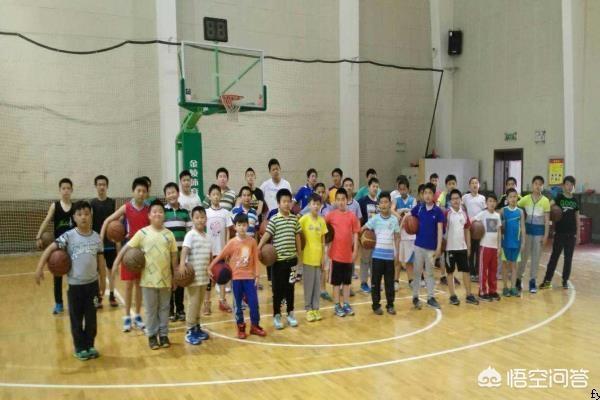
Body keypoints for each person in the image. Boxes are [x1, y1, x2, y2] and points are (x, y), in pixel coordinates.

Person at [35, 201, 106, 361]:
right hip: (75, 287)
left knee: (91, 319)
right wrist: (39, 267)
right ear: (74, 217)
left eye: (86, 214)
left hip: (92, 286)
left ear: (91, 216)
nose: (83, 217)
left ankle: (90, 345)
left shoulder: (97, 238)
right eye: (79, 214)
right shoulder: (69, 236)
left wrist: (103, 282)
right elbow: (50, 248)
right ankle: (80, 348)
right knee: (76, 319)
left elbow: (101, 263)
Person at [114, 199, 178, 350]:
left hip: (165, 279)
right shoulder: (142, 233)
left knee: (164, 308)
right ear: (149, 215)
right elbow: (127, 247)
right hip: (148, 280)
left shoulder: (169, 235)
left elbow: (174, 257)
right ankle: (152, 336)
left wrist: (175, 276)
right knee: (150, 310)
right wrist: (117, 261)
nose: (157, 214)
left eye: (160, 211)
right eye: (154, 211)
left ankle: (163, 335)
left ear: (164, 215)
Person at [100, 177, 149, 332]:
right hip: (129, 250)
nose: (141, 193)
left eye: (144, 191)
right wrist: (101, 238)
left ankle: (138, 315)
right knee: (128, 285)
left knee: (139, 285)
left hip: (143, 251)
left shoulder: (149, 209)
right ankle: (127, 316)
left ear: (147, 193)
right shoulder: (127, 207)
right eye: (138, 190)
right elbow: (108, 221)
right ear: (133, 192)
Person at [211, 213, 267, 339]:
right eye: (239, 225)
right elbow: (220, 256)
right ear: (235, 227)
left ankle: (255, 326)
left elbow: (255, 260)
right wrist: (210, 267)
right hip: (236, 278)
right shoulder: (232, 243)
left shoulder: (252, 242)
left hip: (250, 278)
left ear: (248, 226)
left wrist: (257, 275)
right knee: (237, 305)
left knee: (254, 303)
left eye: (244, 225)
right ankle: (241, 327)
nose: (242, 227)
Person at [258, 188, 302, 330]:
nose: (287, 204)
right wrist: (259, 247)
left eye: (289, 201)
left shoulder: (294, 219)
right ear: (278, 203)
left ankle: (290, 313)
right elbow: (266, 235)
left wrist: (299, 255)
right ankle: (277, 315)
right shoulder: (274, 219)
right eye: (284, 201)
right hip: (278, 263)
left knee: (290, 289)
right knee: (277, 290)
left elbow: (298, 237)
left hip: (292, 261)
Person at [36, 178, 74, 314]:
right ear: (60, 190)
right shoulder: (55, 206)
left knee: (73, 276)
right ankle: (58, 303)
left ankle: (73, 302)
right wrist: (38, 236)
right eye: (63, 188)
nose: (66, 191)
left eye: (68, 188)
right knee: (57, 275)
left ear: (71, 190)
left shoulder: (75, 207)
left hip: (72, 245)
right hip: (58, 246)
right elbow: (46, 220)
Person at [362, 192, 400, 315]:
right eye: (381, 202)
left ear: (390, 204)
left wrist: (397, 253)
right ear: (378, 205)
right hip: (377, 257)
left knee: (389, 283)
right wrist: (364, 239)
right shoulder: (375, 219)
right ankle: (376, 305)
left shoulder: (394, 220)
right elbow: (363, 228)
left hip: (389, 257)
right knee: (376, 283)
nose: (383, 205)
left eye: (386, 202)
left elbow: (397, 237)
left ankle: (390, 305)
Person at [325, 188, 360, 317]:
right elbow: (323, 226)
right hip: (335, 255)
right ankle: (336, 305)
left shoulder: (352, 216)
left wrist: (355, 250)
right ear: (335, 201)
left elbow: (356, 234)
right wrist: (326, 242)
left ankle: (346, 304)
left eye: (343, 199)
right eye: (338, 199)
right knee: (336, 283)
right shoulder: (331, 215)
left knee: (346, 282)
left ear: (346, 200)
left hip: (348, 255)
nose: (340, 202)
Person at [541, 175, 580, 290]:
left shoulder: (575, 201)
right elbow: (549, 206)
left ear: (573, 186)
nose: (569, 187)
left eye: (571, 185)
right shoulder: (559, 197)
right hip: (560, 233)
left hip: (571, 234)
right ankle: (547, 280)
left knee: (568, 259)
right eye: (567, 184)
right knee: (554, 257)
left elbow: (577, 218)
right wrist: (550, 213)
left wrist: (578, 234)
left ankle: (565, 280)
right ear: (563, 186)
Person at [180, 206, 211, 345]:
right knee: (193, 303)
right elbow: (185, 250)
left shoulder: (207, 237)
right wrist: (182, 265)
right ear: (192, 219)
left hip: (204, 277)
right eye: (197, 217)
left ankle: (197, 327)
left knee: (199, 303)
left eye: (202, 217)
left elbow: (209, 256)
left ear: (206, 219)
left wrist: (210, 269)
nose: (200, 220)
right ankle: (189, 330)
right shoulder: (190, 235)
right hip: (192, 277)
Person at [410, 183, 444, 310]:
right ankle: (415, 297)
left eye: (430, 193)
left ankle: (431, 297)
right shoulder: (419, 208)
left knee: (430, 273)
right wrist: (401, 224)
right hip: (418, 246)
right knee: (417, 272)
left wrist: (439, 247)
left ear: (434, 195)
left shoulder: (438, 211)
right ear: (422, 195)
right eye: (425, 193)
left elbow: (440, 230)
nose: (427, 195)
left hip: (431, 248)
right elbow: (409, 217)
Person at [163, 182, 192, 322]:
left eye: (173, 192)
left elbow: (190, 232)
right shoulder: (163, 212)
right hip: (167, 254)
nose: (171, 195)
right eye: (168, 193)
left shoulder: (185, 212)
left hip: (181, 254)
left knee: (180, 280)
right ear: (165, 196)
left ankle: (180, 308)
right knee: (169, 281)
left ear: (178, 193)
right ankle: (170, 309)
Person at [203, 184, 234, 314]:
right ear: (209, 196)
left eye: (217, 194)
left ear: (221, 196)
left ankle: (222, 301)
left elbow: (228, 232)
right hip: (209, 251)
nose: (215, 197)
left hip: (221, 250)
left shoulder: (225, 213)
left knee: (222, 275)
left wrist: (227, 249)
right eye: (213, 194)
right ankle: (207, 303)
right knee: (208, 278)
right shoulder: (205, 213)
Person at [444, 189, 478, 305]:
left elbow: (467, 230)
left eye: (457, 198)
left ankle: (469, 295)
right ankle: (453, 296)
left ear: (460, 200)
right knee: (450, 272)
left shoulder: (464, 213)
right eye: (453, 199)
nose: (455, 201)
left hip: (462, 247)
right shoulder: (447, 214)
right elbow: (442, 230)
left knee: (466, 271)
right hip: (450, 248)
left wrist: (468, 246)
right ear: (450, 201)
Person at [517, 175, 550, 294]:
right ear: (532, 185)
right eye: (536, 183)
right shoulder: (525, 199)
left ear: (543, 186)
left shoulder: (545, 201)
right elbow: (515, 207)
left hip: (539, 232)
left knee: (536, 257)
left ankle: (532, 281)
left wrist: (546, 235)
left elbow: (547, 220)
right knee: (523, 257)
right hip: (527, 231)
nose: (538, 186)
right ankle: (518, 279)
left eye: (540, 184)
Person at [299, 193, 328, 322]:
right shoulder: (304, 219)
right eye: (313, 204)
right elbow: (297, 234)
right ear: (309, 205)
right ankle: (308, 309)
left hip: (318, 258)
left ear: (320, 205)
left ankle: (316, 308)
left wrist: (323, 258)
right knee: (309, 285)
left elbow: (323, 241)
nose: (316, 206)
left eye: (318, 204)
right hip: (307, 258)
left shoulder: (322, 221)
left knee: (317, 286)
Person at [90, 175, 118, 308]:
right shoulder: (92, 204)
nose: (101, 187)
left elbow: (116, 222)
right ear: (96, 186)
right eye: (99, 184)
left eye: (104, 184)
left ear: (107, 186)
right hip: (97, 242)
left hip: (110, 242)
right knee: (97, 272)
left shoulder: (112, 202)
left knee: (111, 270)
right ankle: (98, 297)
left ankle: (112, 295)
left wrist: (117, 242)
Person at [473, 194, 502, 301]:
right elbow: (472, 221)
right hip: (485, 247)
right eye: (490, 201)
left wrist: (499, 246)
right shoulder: (483, 214)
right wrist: (475, 230)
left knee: (493, 271)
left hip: (494, 247)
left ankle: (492, 291)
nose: (492, 203)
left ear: (496, 203)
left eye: (494, 201)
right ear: (486, 203)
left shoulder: (497, 216)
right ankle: (482, 291)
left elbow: (499, 232)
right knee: (483, 270)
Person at [392, 176, 416, 291]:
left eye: (404, 189)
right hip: (399, 235)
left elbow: (414, 215)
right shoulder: (396, 200)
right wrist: (398, 215)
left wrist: (406, 216)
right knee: (397, 260)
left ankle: (411, 280)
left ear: (408, 189)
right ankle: (395, 281)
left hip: (410, 235)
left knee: (409, 260)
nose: (402, 191)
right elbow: (391, 209)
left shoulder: (413, 200)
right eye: (400, 189)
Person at [499, 188, 525, 297]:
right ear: (507, 198)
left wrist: (523, 242)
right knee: (505, 266)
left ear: (517, 198)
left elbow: (523, 228)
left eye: (515, 196)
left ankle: (513, 287)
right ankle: (505, 287)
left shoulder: (520, 212)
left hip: (516, 243)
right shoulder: (503, 211)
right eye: (511, 197)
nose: (513, 199)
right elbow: (498, 227)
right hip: (505, 243)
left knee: (514, 267)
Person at [358, 177, 380, 293]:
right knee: (365, 260)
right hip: (366, 235)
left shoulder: (380, 202)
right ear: (369, 187)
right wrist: (360, 234)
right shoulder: (362, 201)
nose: (375, 189)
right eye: (373, 186)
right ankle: (363, 283)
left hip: (377, 236)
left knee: (374, 260)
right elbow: (360, 218)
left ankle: (374, 283)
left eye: (377, 187)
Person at [462, 177, 486, 284]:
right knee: (470, 251)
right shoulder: (465, 197)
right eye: (472, 183)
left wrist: (476, 219)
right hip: (469, 228)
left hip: (479, 228)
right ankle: (471, 272)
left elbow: (485, 211)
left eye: (476, 183)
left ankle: (478, 272)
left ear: (479, 185)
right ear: (469, 186)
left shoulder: (482, 198)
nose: (474, 184)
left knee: (479, 251)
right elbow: (462, 208)